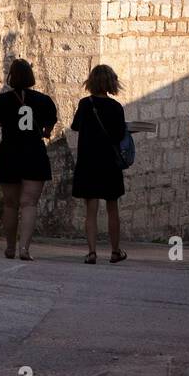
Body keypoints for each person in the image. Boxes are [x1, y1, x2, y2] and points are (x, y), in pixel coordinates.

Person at [0, 59, 57, 260]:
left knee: (10, 204)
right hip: (34, 153)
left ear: (10, 76)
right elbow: (47, 130)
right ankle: (24, 249)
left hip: (9, 152)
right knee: (29, 204)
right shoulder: (44, 101)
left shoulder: (0, 100)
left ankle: (9, 247)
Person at [71, 64, 128, 265]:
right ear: (112, 82)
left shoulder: (85, 104)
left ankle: (92, 252)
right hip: (109, 164)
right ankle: (115, 251)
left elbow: (75, 126)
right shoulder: (116, 107)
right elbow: (120, 135)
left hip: (88, 162)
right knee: (113, 208)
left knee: (91, 210)